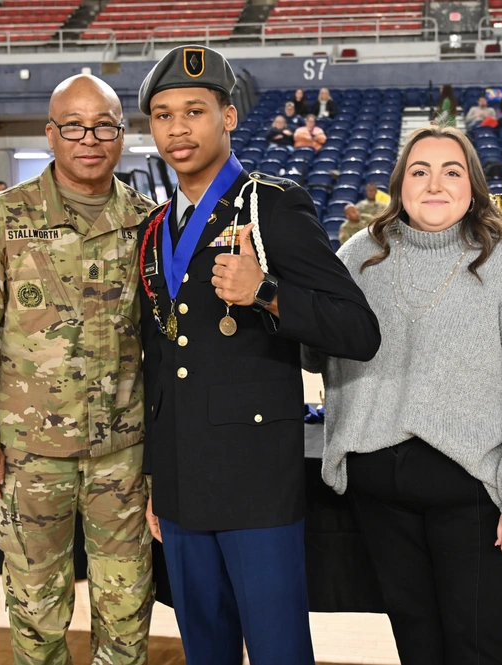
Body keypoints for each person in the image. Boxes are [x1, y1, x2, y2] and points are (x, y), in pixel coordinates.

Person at [136, 44, 380, 665]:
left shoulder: (272, 205)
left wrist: (267, 293)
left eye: (194, 110)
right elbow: (159, 364)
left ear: (229, 117)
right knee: (205, 649)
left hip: (254, 482)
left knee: (277, 652)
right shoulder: (153, 229)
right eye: (163, 115)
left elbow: (358, 330)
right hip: (183, 483)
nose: (177, 128)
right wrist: (155, 477)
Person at [305, 124, 502, 665]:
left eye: (451, 172)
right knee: (415, 641)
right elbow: (318, 354)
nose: (435, 184)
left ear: (472, 187)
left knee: (475, 645)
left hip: (471, 493)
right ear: (399, 184)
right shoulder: (359, 254)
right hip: (379, 488)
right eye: (419, 171)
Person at [0, 74, 156, 665]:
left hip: (123, 453)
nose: (91, 139)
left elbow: (166, 345)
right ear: (51, 133)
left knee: (128, 603)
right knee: (37, 606)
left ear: (122, 134)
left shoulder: (148, 223)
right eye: (75, 127)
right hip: (30, 453)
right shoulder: (3, 219)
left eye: (104, 125)